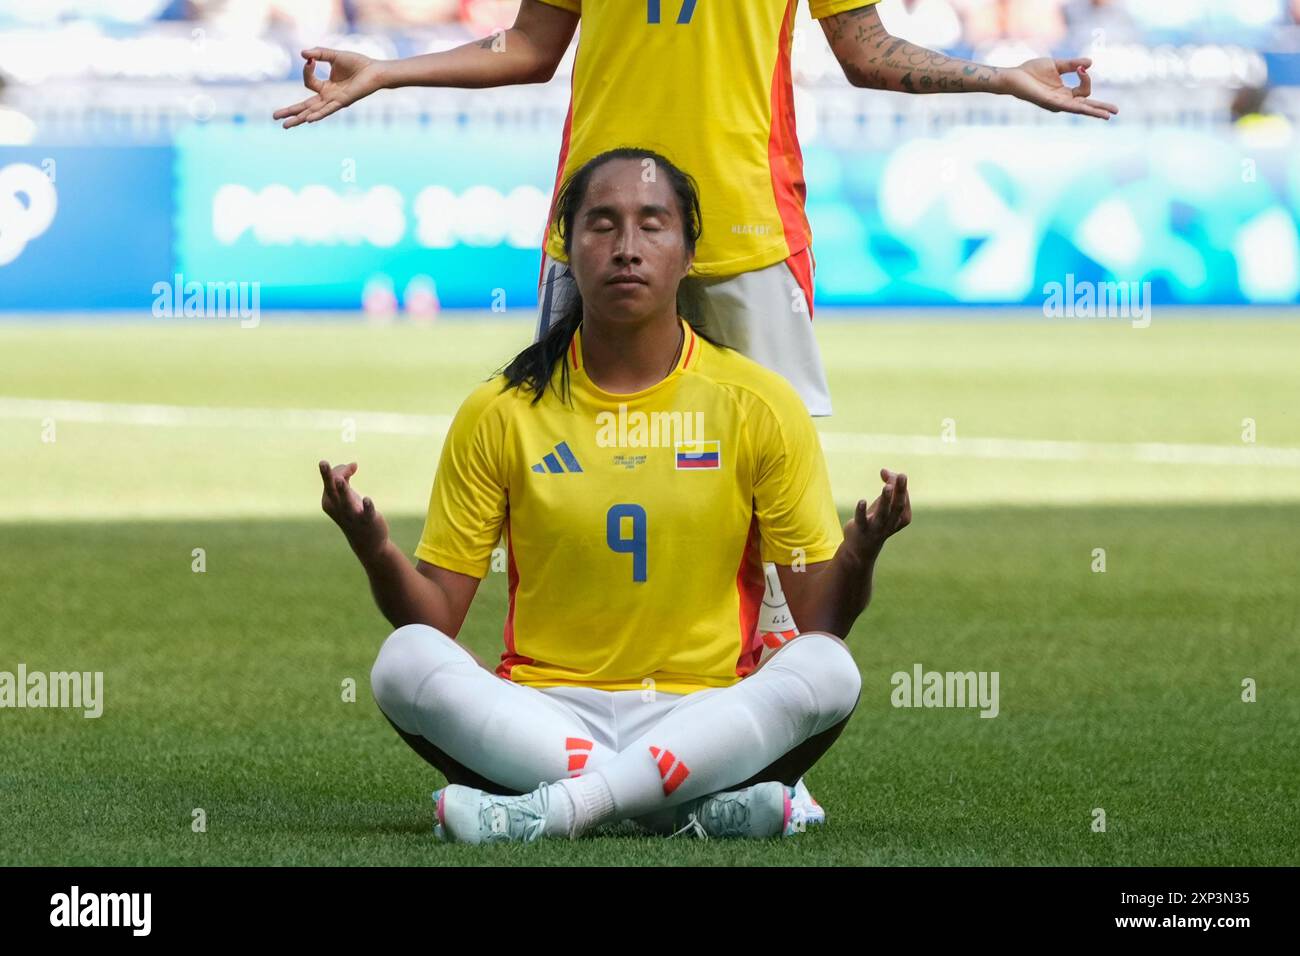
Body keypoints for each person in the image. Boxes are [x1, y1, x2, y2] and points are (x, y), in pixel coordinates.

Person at [279, 0, 1107, 818]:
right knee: (554, 458)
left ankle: (615, 784)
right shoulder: (519, 372)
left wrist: (1003, 76)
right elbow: (530, 45)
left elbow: (866, 49)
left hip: (750, 232)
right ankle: (700, 781)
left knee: (782, 555)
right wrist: (388, 71)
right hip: (594, 228)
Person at [318, 147, 912, 842]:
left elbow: (819, 620)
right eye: (602, 225)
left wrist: (863, 554)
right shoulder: (502, 409)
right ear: (568, 248)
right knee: (404, 661)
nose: (627, 248)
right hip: (543, 721)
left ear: (689, 253)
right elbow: (434, 618)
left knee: (830, 670)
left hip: (701, 716)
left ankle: (565, 808)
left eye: (652, 224)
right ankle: (681, 808)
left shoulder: (758, 403)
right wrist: (374, 548)